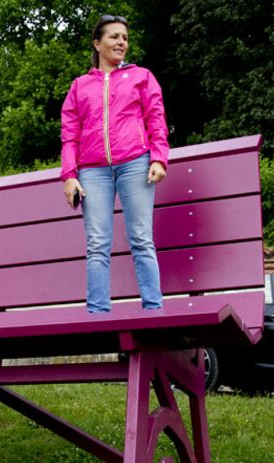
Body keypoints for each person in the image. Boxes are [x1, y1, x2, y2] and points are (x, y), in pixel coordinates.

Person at [60, 14, 170, 313]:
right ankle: (97, 314)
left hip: (136, 162)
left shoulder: (141, 77)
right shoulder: (79, 86)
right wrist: (69, 175)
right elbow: (70, 135)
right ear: (98, 43)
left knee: (141, 239)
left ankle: (153, 311)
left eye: (124, 37)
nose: (121, 42)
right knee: (97, 245)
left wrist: (159, 157)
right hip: (92, 171)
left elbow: (156, 120)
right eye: (114, 37)